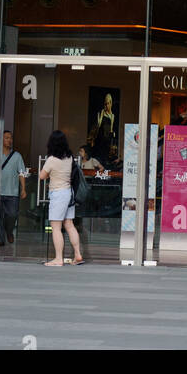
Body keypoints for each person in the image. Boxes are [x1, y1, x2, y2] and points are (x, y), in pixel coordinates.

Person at [39, 130, 84, 265]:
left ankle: (59, 259)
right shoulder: (69, 158)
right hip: (68, 193)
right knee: (69, 224)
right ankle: (78, 255)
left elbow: (42, 176)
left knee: (56, 228)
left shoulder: (51, 159)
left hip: (58, 194)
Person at [91, 94, 116, 165]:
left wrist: (112, 136)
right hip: (100, 137)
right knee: (99, 156)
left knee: (106, 157)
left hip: (107, 139)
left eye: (108, 103)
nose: (107, 105)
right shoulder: (101, 112)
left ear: (111, 103)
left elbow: (111, 129)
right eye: (105, 103)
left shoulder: (112, 115)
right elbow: (98, 125)